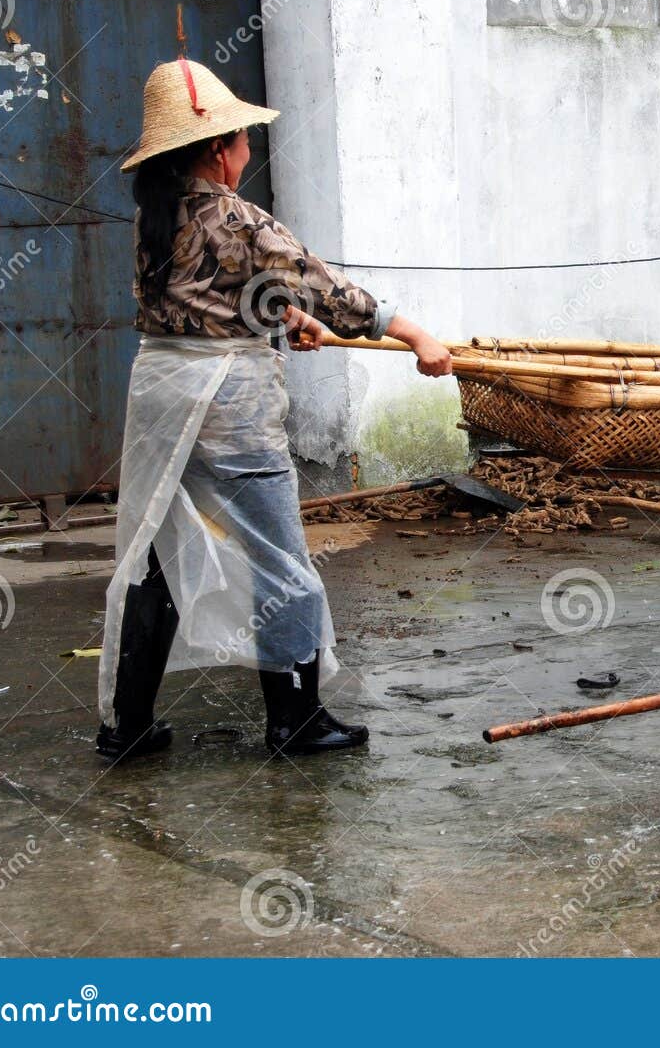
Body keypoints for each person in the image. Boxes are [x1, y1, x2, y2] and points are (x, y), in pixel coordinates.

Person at [97, 58, 454, 761]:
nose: (247, 149)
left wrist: (279, 317)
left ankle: (126, 724)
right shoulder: (240, 217)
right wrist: (415, 334)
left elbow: (206, 301)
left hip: (164, 398)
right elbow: (328, 289)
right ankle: (296, 718)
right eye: (238, 138)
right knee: (278, 556)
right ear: (213, 150)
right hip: (229, 408)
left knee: (155, 550)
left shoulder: (154, 212)